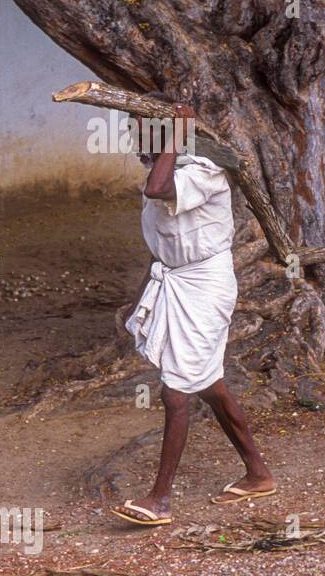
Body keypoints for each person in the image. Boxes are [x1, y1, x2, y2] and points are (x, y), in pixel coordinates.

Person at [112, 103, 276, 527]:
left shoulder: (202, 170)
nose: (136, 143)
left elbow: (158, 190)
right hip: (176, 281)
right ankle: (258, 474)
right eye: (135, 132)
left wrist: (177, 128)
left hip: (206, 286)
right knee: (210, 386)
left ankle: (159, 500)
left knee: (175, 390)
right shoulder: (163, 169)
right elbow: (159, 250)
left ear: (172, 136)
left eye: (145, 133)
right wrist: (137, 298)